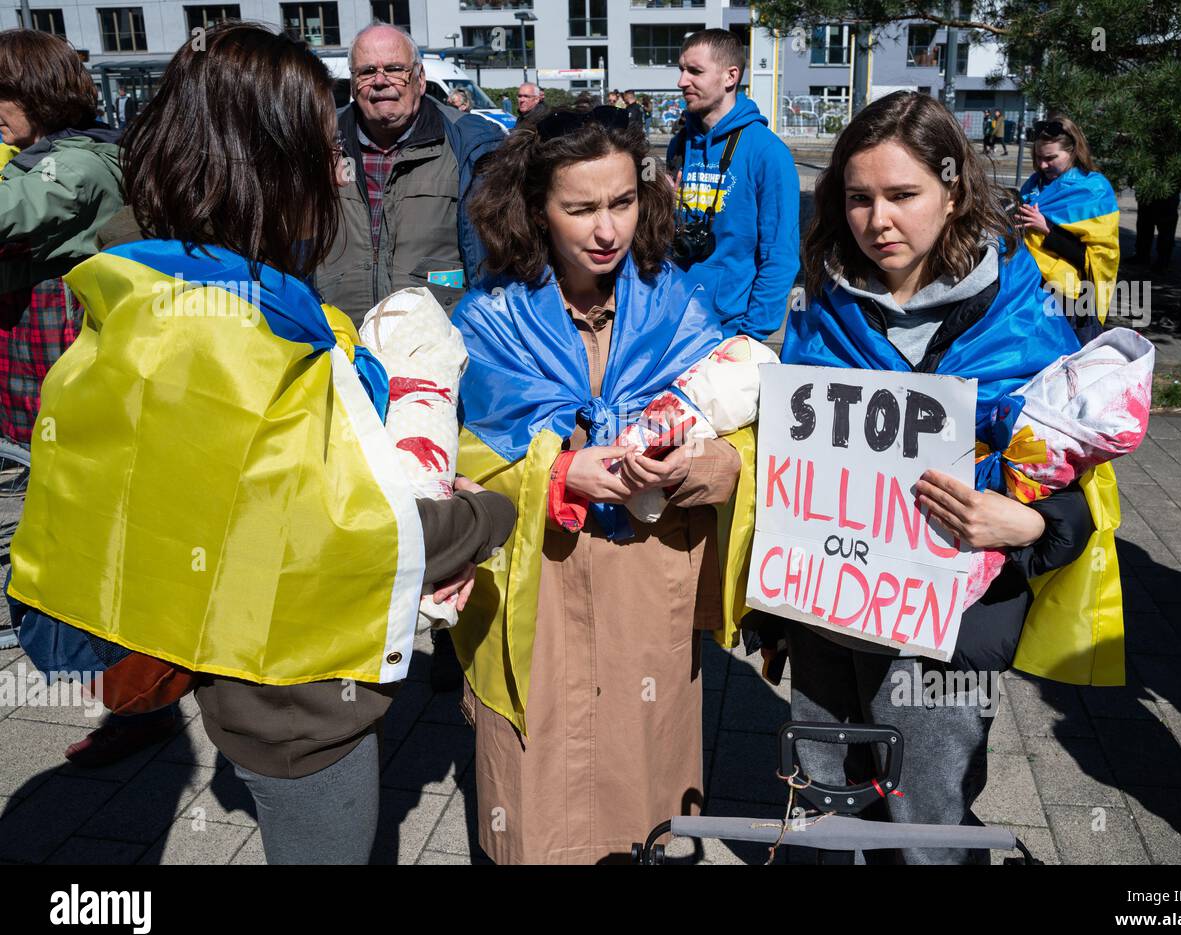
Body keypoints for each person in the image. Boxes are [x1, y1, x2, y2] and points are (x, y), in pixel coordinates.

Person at [6, 21, 516, 864]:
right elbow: (340, 536)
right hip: (297, 697)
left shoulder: (148, 291)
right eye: (323, 147)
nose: (337, 168)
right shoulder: (236, 336)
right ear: (271, 167)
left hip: (234, 662)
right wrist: (483, 517)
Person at [780, 91, 1104, 864]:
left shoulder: (1028, 316)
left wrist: (1029, 526)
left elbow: (1070, 471)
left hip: (949, 631)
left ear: (953, 191)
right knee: (823, 797)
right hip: (828, 609)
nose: (877, 220)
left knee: (929, 811)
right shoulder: (817, 303)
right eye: (858, 198)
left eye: (902, 195)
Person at [450, 106, 752, 864]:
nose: (606, 229)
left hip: (645, 591)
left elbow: (743, 445)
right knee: (535, 800)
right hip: (534, 588)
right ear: (533, 209)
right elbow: (452, 459)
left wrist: (688, 470)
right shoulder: (485, 320)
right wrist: (553, 471)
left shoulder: (680, 304)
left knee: (640, 794)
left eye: (622, 202)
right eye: (579, 208)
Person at [0, 30, 167, 763]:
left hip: (63, 375)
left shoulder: (76, 159)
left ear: (38, 91)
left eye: (3, 94)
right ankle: (134, 699)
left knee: (101, 547)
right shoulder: (47, 155)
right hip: (36, 371)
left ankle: (140, 702)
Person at [315, 24, 503, 324]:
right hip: (340, 346)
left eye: (394, 69)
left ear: (420, 79)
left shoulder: (469, 145)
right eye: (366, 72)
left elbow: (493, 264)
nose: (380, 81)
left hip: (437, 350)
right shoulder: (319, 142)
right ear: (352, 84)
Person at [669, 28, 800, 339]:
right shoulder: (679, 144)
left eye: (695, 71)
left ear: (730, 76)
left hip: (730, 332)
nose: (681, 81)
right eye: (681, 70)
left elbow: (780, 254)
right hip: (674, 323)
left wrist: (750, 337)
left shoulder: (767, 153)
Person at [1016, 115, 1120, 345]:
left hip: (1070, 301)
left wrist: (1046, 229)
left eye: (1051, 158)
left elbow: (1092, 258)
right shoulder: (1034, 184)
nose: (1043, 165)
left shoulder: (1093, 190)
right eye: (1039, 158)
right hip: (1029, 289)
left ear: (1073, 152)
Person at [1129, 187, 1180, 272]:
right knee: (1143, 225)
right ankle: (1141, 255)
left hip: (1167, 193)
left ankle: (1163, 261)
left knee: (1166, 228)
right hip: (1147, 193)